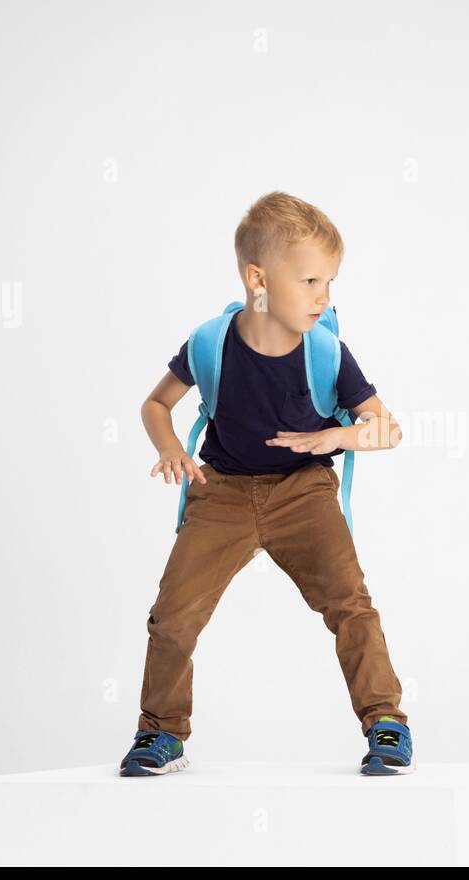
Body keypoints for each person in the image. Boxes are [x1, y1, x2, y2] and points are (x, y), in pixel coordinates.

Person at [118, 191, 413, 777]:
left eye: (329, 282)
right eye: (309, 281)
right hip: (222, 491)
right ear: (258, 278)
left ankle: (386, 723)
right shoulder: (209, 343)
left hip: (303, 492)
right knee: (172, 616)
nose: (323, 297)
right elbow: (156, 404)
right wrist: (171, 448)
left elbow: (388, 428)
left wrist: (335, 439)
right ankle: (161, 732)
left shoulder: (327, 351)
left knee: (351, 606)